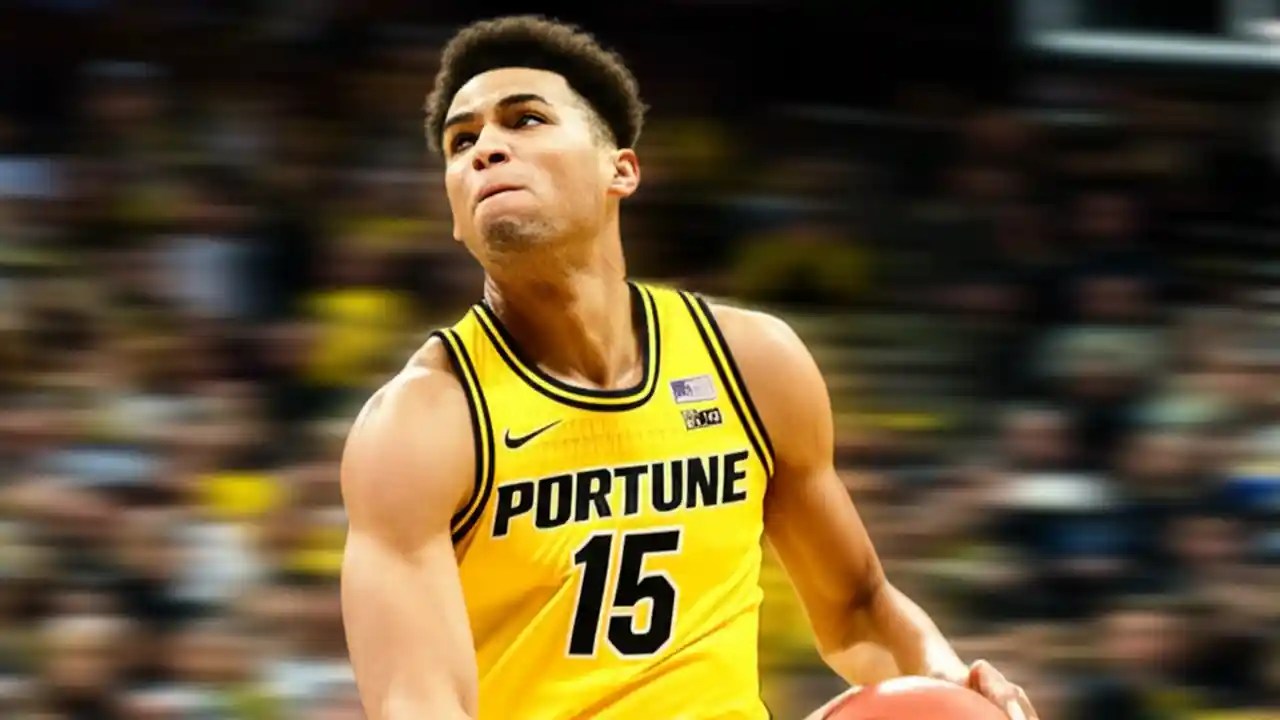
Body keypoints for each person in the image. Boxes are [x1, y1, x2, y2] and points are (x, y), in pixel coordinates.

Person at [339, 14, 1039, 720]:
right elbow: (416, 704)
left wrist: (949, 682)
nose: (487, 149)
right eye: (462, 142)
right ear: (455, 214)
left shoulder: (752, 364)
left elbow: (857, 609)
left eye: (525, 120)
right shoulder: (421, 422)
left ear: (621, 170)